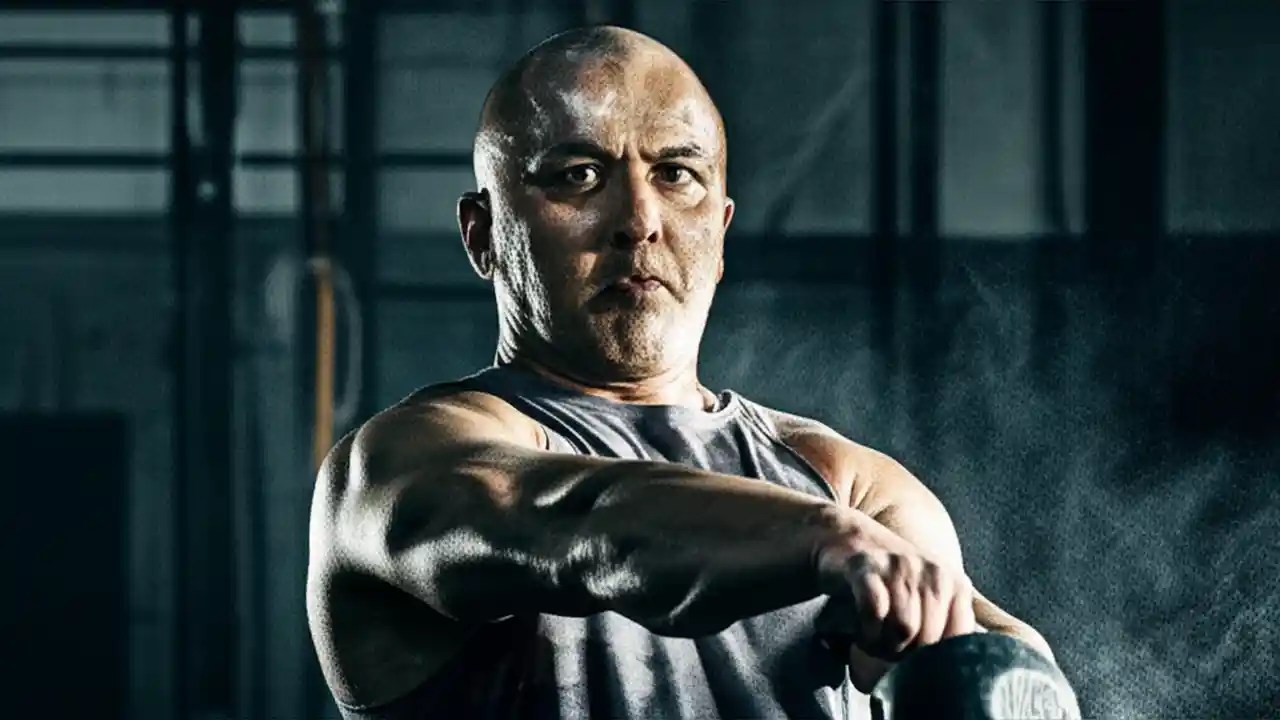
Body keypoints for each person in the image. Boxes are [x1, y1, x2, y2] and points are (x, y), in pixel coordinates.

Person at [306, 25, 1056, 720]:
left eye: (675, 173)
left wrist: (999, 665)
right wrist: (826, 542)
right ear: (483, 233)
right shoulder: (397, 466)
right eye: (576, 174)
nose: (639, 218)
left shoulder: (853, 485)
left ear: (721, 232)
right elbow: (592, 530)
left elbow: (1003, 658)